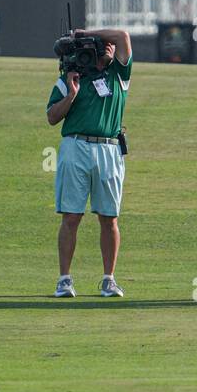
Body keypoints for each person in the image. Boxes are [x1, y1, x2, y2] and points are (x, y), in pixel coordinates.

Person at [45, 29, 133, 299]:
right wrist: (71, 95)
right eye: (102, 46)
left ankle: (109, 279)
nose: (108, 49)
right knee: (71, 216)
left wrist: (87, 33)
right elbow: (51, 117)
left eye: (109, 46)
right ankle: (64, 279)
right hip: (76, 145)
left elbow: (123, 36)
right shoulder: (71, 77)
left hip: (108, 147)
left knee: (109, 217)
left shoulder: (119, 74)